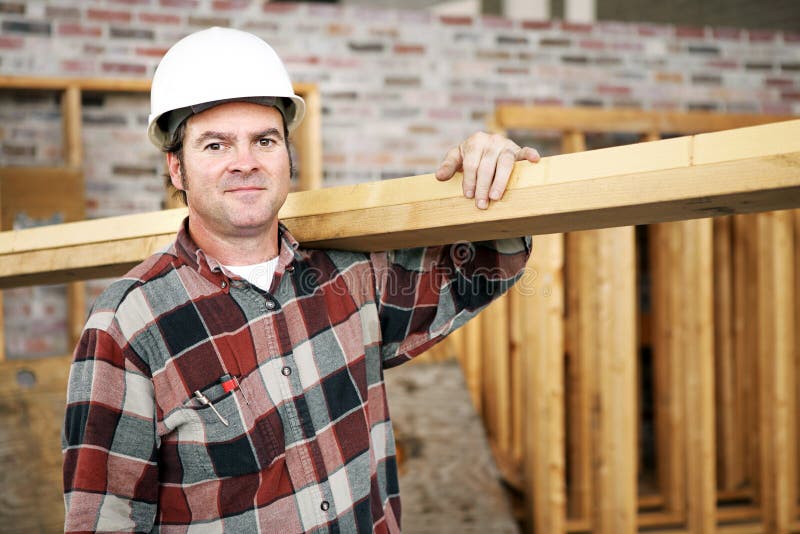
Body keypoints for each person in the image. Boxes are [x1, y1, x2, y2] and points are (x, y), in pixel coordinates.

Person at [62, 27, 539, 533]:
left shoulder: (352, 279)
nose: (244, 161)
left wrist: (494, 173)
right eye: (216, 144)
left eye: (264, 140)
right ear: (177, 168)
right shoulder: (128, 327)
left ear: (287, 156)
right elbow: (105, 522)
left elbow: (489, 264)